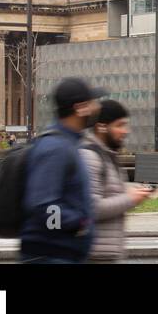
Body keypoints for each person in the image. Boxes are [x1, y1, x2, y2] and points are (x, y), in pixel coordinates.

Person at [19, 78, 101, 264]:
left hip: (60, 254)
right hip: (51, 256)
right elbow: (43, 205)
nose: (97, 107)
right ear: (80, 108)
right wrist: (80, 222)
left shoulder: (68, 143)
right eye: (92, 103)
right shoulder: (56, 147)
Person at [80, 99, 153, 262]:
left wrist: (129, 194)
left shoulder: (108, 156)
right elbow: (91, 207)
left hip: (106, 254)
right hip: (94, 256)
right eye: (119, 125)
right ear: (102, 127)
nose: (125, 131)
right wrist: (129, 198)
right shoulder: (90, 157)